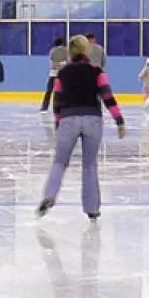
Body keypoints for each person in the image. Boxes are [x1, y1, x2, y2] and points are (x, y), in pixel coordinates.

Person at [37, 35, 126, 221]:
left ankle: (50, 195)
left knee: (60, 162)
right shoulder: (96, 71)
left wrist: (58, 122)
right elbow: (107, 96)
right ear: (87, 50)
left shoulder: (63, 72)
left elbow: (58, 100)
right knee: (90, 165)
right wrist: (119, 120)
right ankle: (92, 209)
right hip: (92, 119)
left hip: (68, 119)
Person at [40, 37, 68, 113]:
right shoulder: (66, 50)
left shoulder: (52, 50)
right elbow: (68, 59)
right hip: (63, 73)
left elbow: (51, 59)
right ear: (62, 43)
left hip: (53, 73)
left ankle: (44, 107)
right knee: (64, 90)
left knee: (49, 90)